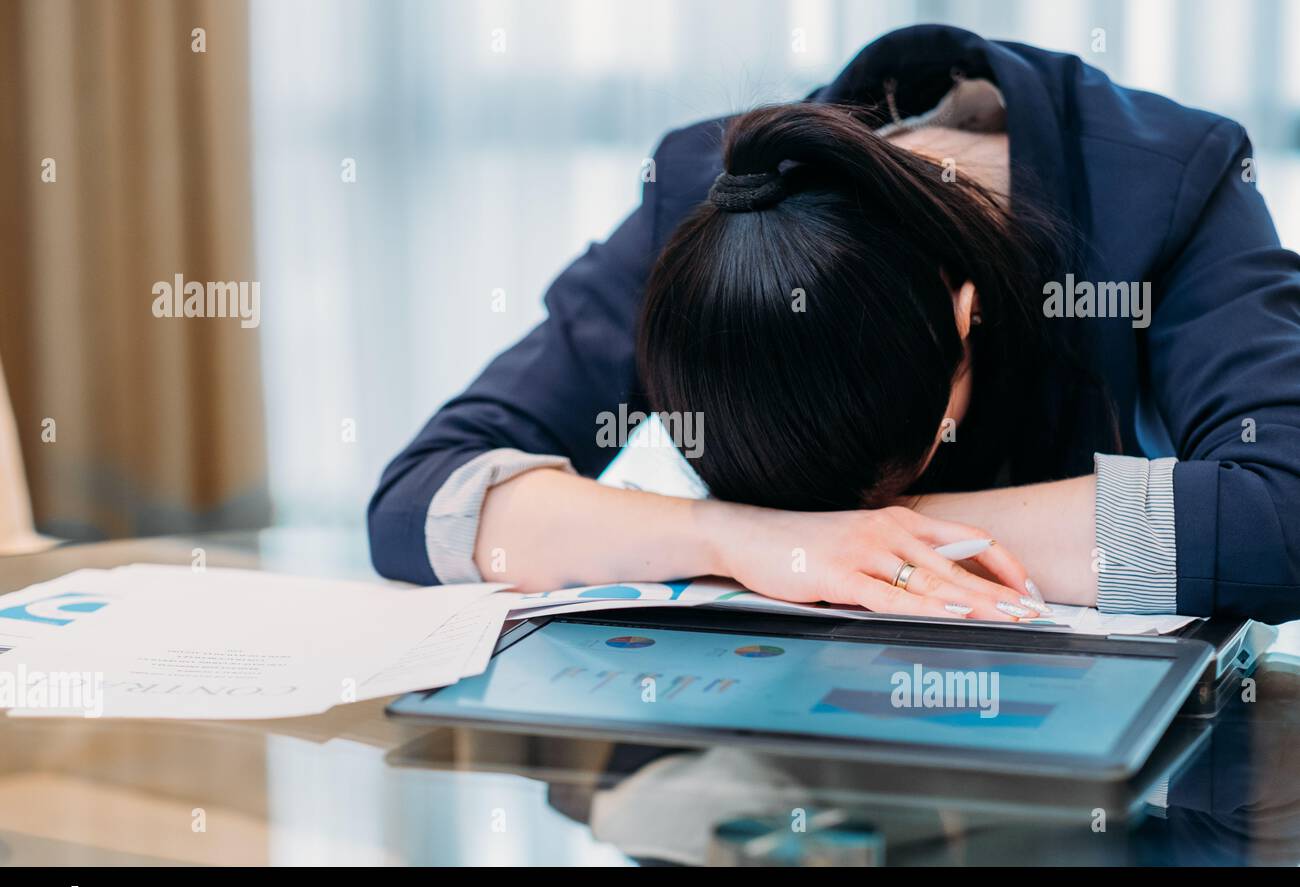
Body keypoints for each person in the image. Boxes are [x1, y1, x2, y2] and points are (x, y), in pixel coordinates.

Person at [369, 25, 1300, 623]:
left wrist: (869, 537)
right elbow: (420, 504)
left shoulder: (1173, 184)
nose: (843, 532)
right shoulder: (709, 209)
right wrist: (744, 539)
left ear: (963, 319)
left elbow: (1283, 517)